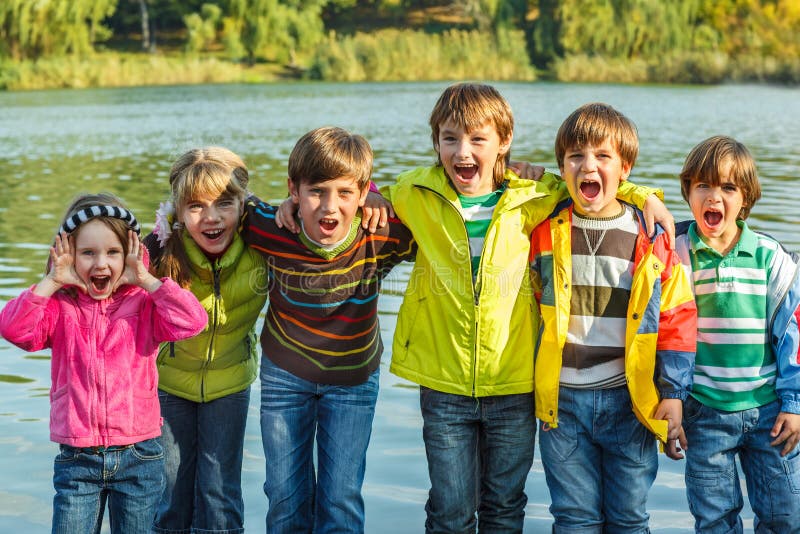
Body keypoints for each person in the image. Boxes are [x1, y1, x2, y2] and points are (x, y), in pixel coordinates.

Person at [380, 83, 674, 533]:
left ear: (504, 142)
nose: (463, 151)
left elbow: (595, 183)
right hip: (442, 383)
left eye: (478, 139)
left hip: (515, 383)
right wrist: (348, 198)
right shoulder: (415, 193)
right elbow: (361, 193)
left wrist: (643, 195)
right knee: (450, 510)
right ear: (435, 141)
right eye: (450, 138)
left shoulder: (534, 199)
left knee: (504, 505)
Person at [528, 103, 697, 532]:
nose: (589, 166)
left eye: (603, 156)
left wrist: (674, 392)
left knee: (628, 518)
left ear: (625, 168)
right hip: (562, 405)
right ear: (563, 168)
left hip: (629, 403)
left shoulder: (651, 237)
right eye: (576, 157)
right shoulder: (545, 230)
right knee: (574, 518)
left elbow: (678, 319)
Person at [241, 126, 416, 533]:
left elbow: (441, 211)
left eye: (345, 192)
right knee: (284, 497)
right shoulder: (271, 226)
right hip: (285, 377)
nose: (329, 206)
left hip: (352, 381)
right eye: (316, 191)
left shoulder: (382, 233)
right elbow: (220, 201)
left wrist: (379, 193)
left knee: (340, 500)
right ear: (294, 190)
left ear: (360, 194)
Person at [0, 193, 207, 534]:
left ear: (131, 254)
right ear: (67, 255)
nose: (100, 264)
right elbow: (14, 329)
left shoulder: (144, 304)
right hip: (77, 459)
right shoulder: (58, 306)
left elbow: (193, 321)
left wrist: (148, 280)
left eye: (113, 252)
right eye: (87, 253)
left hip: (139, 456)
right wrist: (51, 281)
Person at [669, 135, 800, 533]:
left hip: (770, 413)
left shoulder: (769, 257)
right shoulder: (675, 255)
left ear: (746, 198)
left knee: (785, 516)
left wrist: (794, 402)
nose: (715, 196)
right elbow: (665, 333)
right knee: (715, 520)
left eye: (728, 187)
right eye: (703, 185)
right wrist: (671, 397)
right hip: (704, 413)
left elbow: (793, 332)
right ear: (688, 192)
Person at [144, 147, 269, 534]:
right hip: (169, 384)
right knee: (170, 494)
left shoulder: (264, 246)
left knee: (220, 494)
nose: (212, 217)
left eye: (224, 204)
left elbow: (319, 216)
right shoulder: (159, 253)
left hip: (230, 383)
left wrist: (375, 195)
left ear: (243, 205)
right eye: (196, 206)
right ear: (177, 213)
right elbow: (97, 261)